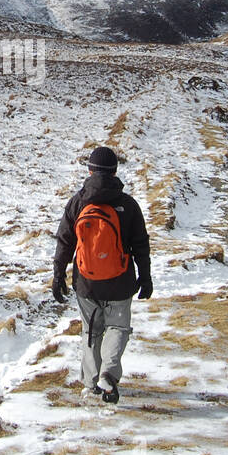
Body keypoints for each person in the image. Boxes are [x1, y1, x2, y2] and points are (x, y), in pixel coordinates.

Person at [51, 145, 152, 404]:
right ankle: (109, 373)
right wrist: (146, 276)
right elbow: (141, 243)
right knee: (118, 327)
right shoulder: (128, 205)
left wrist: (58, 275)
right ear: (115, 171)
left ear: (89, 170)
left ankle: (91, 383)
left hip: (86, 282)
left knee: (91, 332)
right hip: (120, 281)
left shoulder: (78, 202)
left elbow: (64, 240)